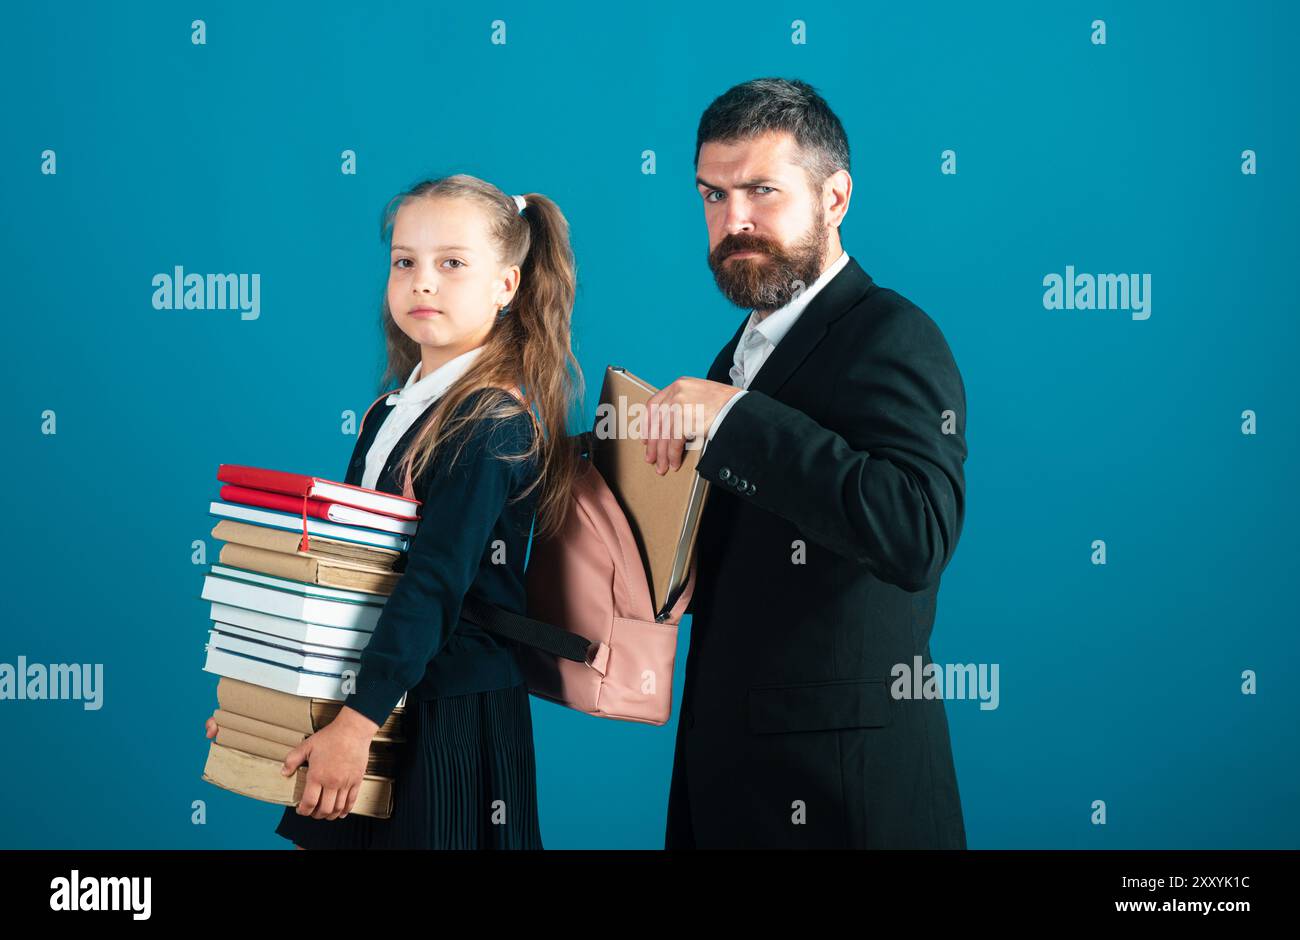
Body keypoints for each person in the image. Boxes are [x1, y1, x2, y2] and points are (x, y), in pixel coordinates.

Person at [205, 175, 583, 849]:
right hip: (377, 689)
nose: (423, 282)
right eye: (405, 261)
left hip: (446, 711)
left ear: (507, 286)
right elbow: (350, 578)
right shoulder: (388, 411)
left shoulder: (492, 422)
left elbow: (432, 584)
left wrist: (357, 723)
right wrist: (269, 707)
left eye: (452, 264)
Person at [641, 78, 969, 848]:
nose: (734, 221)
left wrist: (735, 420)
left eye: (761, 190)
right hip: (728, 777)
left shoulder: (893, 333)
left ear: (834, 197)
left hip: (844, 795)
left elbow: (915, 532)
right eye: (712, 196)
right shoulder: (740, 353)